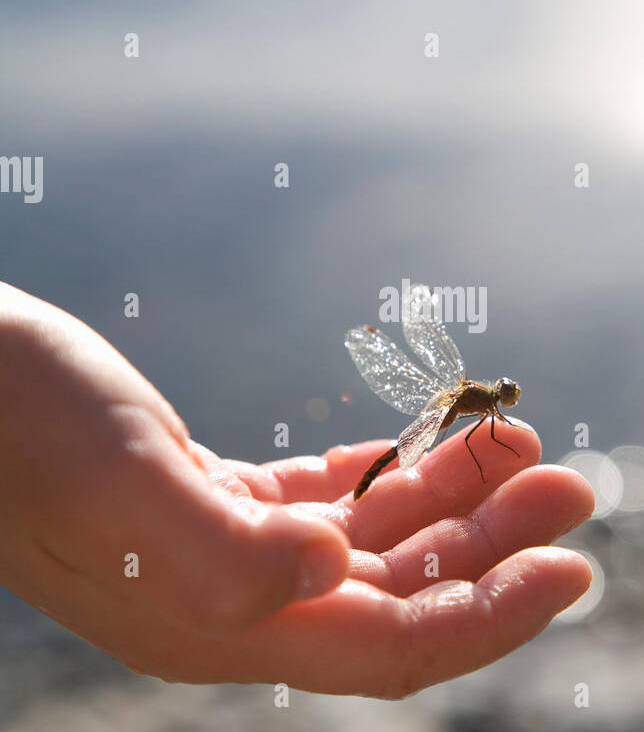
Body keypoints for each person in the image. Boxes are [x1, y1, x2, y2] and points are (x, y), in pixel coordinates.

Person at [0, 282, 593, 697]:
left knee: (447, 456)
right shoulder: (474, 406)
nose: (506, 401)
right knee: (429, 457)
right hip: (424, 431)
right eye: (504, 398)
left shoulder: (478, 402)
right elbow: (472, 441)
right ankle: (374, 485)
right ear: (496, 397)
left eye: (504, 398)